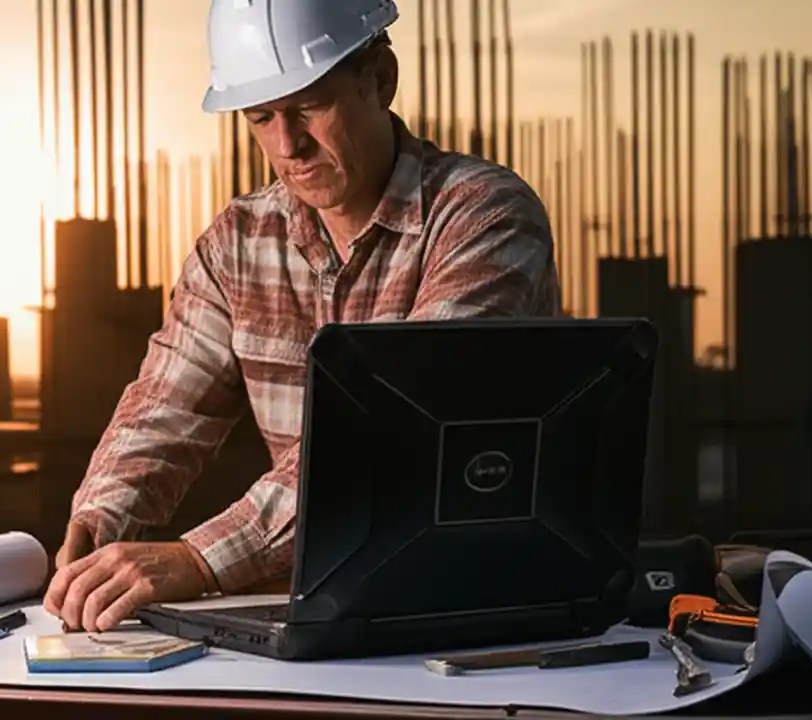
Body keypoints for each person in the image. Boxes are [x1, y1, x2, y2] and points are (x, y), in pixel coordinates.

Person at [44, 0, 560, 633]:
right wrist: (96, 525)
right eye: (261, 117)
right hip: (317, 609)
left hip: (478, 610)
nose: (287, 144)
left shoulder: (483, 219)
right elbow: (164, 409)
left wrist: (199, 559)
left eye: (309, 106)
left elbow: (397, 434)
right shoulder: (237, 245)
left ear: (381, 80)